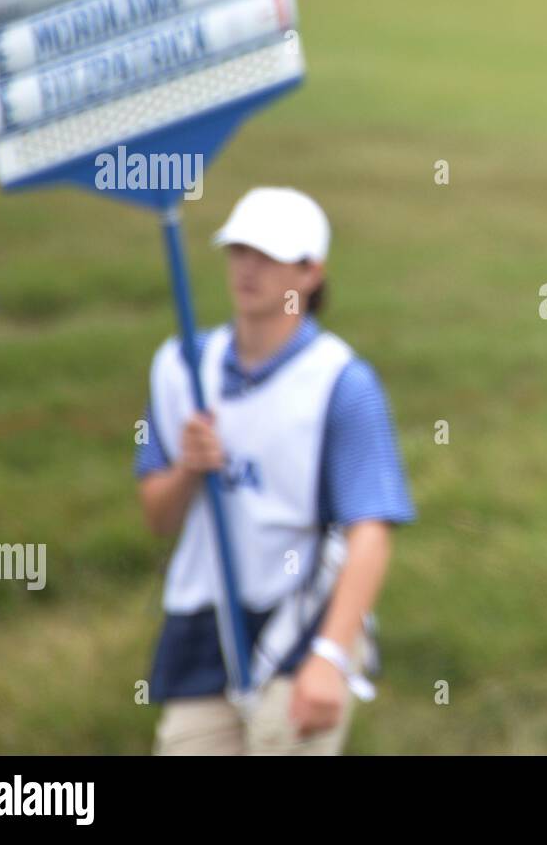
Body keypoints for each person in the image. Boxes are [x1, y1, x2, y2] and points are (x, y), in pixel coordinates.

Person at [135, 186, 415, 754]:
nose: (247, 268)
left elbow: (370, 531)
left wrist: (330, 657)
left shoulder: (341, 381)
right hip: (202, 625)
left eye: (267, 255)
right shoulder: (179, 367)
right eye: (239, 251)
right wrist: (190, 467)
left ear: (311, 273)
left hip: (303, 622)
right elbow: (157, 516)